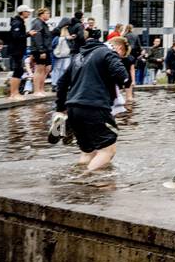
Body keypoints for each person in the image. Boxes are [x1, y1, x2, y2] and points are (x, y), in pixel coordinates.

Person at [54, 28, 129, 172]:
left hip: (73, 108)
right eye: (123, 55)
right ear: (119, 47)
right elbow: (122, 76)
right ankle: (83, 178)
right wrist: (124, 81)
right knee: (108, 151)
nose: (121, 57)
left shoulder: (78, 56)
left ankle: (75, 179)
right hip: (95, 106)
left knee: (88, 152)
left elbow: (61, 84)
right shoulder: (108, 53)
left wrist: (60, 108)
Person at [7, 4, 32, 98]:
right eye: (28, 12)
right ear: (23, 12)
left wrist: (27, 34)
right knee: (18, 70)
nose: (29, 13)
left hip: (18, 50)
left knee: (19, 70)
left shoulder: (19, 22)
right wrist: (28, 34)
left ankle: (14, 93)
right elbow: (16, 36)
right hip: (16, 50)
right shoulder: (17, 23)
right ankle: (14, 93)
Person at [31, 7, 53, 93]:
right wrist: (41, 51)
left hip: (46, 49)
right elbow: (37, 37)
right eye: (47, 13)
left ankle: (41, 89)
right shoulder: (37, 23)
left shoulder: (44, 24)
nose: (49, 15)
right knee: (39, 70)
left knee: (47, 68)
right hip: (40, 50)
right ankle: (37, 90)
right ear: (42, 14)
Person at [51, 21, 75, 91]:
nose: (67, 26)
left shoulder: (68, 30)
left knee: (64, 69)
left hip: (66, 53)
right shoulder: (57, 30)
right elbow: (55, 40)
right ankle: (55, 84)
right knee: (57, 69)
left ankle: (61, 84)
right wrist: (66, 38)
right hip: (59, 53)